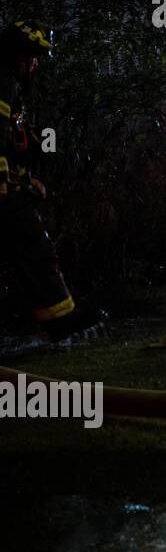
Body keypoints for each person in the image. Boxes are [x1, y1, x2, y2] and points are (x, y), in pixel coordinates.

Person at [0, 19, 101, 344]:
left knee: (26, 251)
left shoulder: (9, 85)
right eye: (32, 56)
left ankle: (55, 320)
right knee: (34, 245)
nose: (35, 63)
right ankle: (61, 320)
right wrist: (22, 184)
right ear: (17, 55)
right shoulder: (3, 83)